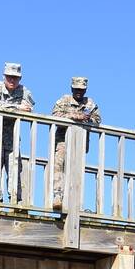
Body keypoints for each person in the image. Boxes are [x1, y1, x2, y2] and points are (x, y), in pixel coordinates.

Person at [0, 63, 35, 203]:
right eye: (9, 77)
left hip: (12, 139)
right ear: (4, 76)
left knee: (14, 170)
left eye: (15, 78)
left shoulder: (24, 91)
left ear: (20, 78)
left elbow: (28, 109)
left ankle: (15, 202)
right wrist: (17, 107)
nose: (12, 80)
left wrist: (12, 108)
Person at [49, 76, 102, 209]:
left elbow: (98, 120)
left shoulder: (90, 103)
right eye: (77, 89)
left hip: (80, 143)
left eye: (82, 90)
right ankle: (57, 196)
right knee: (58, 167)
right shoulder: (64, 100)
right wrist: (75, 117)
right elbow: (55, 115)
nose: (79, 92)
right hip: (63, 141)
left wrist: (88, 120)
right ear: (72, 88)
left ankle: (73, 203)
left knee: (75, 172)